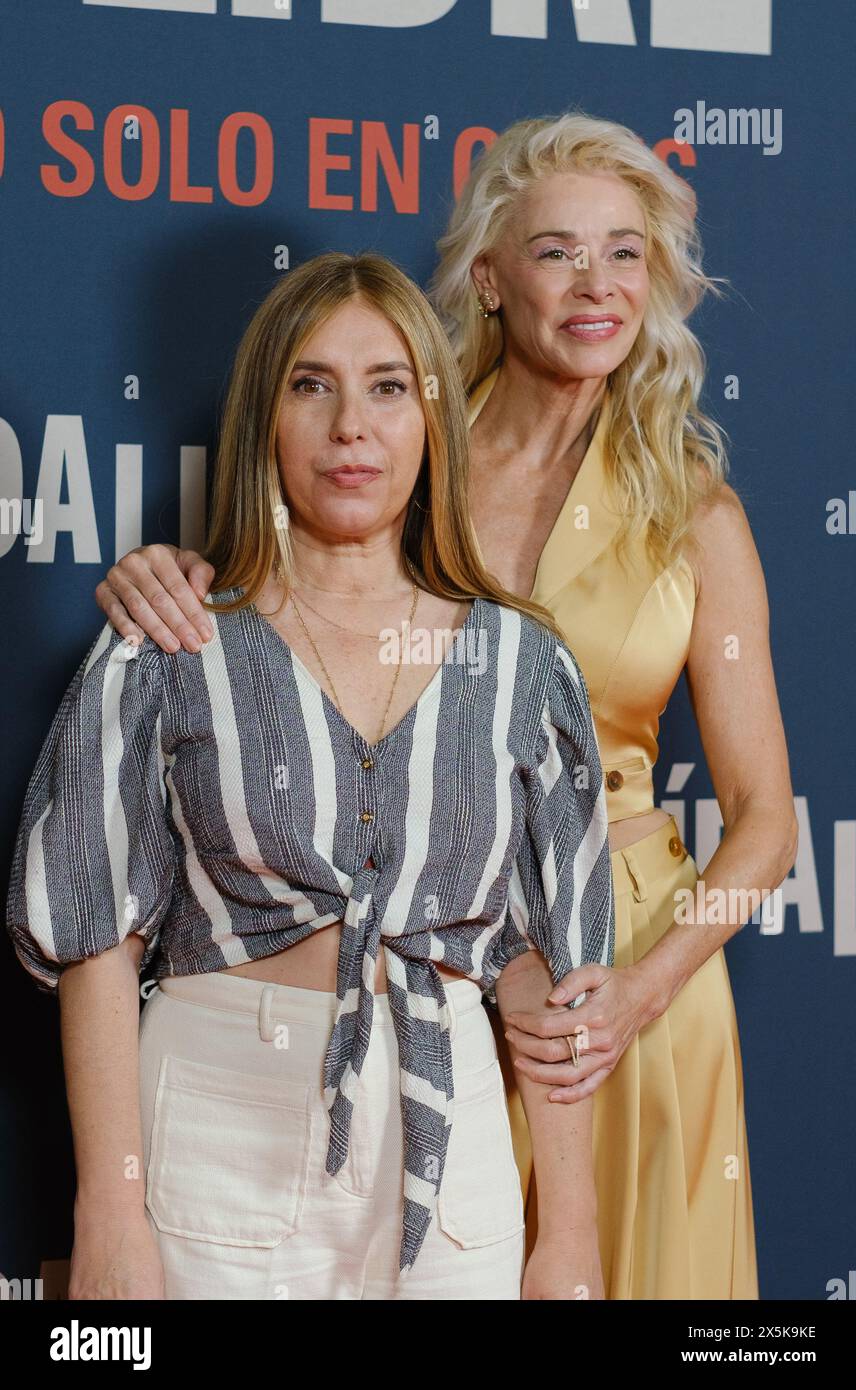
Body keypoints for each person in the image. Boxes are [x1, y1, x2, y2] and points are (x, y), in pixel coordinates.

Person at [90, 112, 797, 1299]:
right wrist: (157, 575)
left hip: (622, 975)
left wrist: (643, 988)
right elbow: (286, 607)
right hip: (439, 957)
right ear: (488, 276)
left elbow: (765, 823)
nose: (595, 285)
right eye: (558, 250)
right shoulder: (400, 444)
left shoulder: (693, 514)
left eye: (625, 253)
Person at [6, 251, 615, 1301]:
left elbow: (556, 982)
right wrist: (108, 1209)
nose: (351, 426)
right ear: (262, 419)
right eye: (310, 384)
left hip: (455, 1141)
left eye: (388, 386)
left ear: (431, 419)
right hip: (216, 1131)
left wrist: (568, 1234)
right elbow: (96, 940)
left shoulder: (523, 665)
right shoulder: (168, 639)